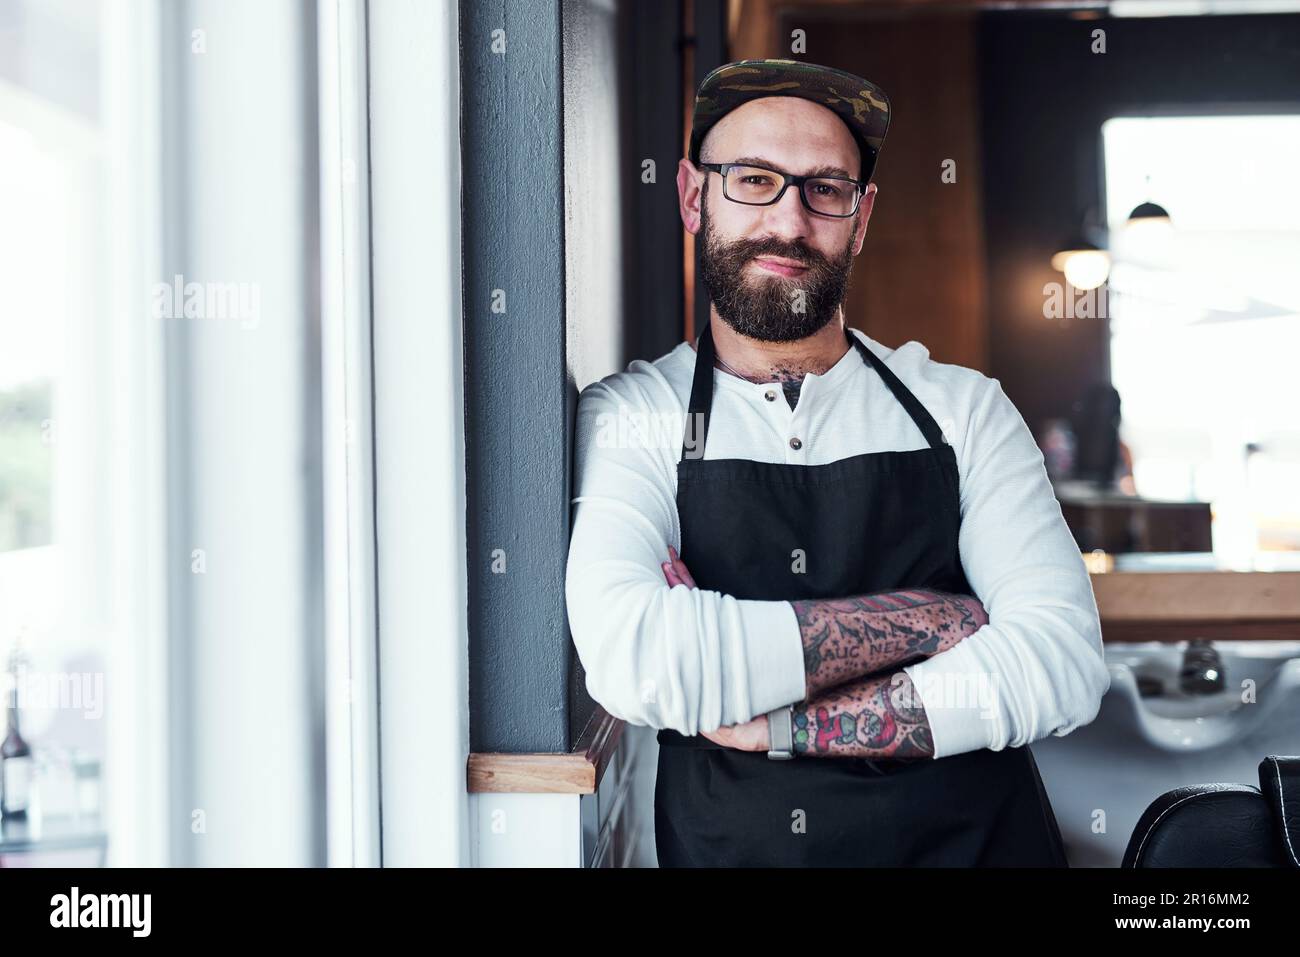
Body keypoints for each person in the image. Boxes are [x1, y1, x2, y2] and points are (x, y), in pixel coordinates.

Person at [564, 59, 1110, 867]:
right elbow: (639, 658)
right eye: (753, 179)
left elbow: (1060, 661)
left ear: (860, 218)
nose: (789, 221)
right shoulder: (635, 417)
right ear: (692, 196)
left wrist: (772, 721)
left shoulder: (964, 410)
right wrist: (930, 621)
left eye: (824, 188)